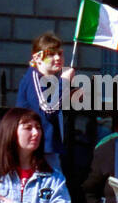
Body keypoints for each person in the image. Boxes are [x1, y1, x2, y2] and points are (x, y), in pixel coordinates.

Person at [15, 32, 74, 170]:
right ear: (37, 58)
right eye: (51, 54)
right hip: (38, 149)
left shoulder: (49, 81)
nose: (57, 57)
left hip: (49, 147)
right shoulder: (34, 77)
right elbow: (48, 110)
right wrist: (64, 82)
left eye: (60, 53)